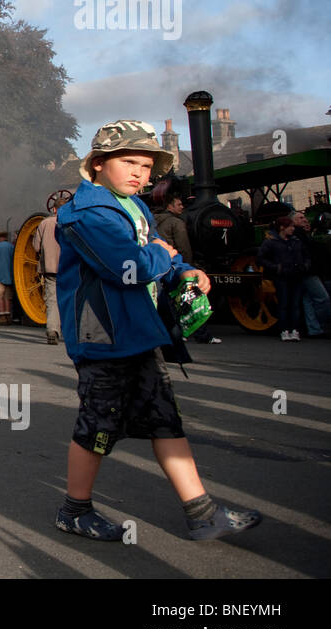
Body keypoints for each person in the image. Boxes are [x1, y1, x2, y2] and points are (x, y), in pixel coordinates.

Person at [54, 119, 260, 541]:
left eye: (147, 167)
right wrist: (159, 256)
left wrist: (187, 272)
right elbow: (127, 269)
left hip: (141, 334)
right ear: (96, 164)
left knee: (166, 421)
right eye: (129, 162)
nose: (140, 174)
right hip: (104, 339)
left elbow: (156, 259)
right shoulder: (85, 213)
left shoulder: (136, 206)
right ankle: (74, 511)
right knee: (97, 427)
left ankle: (202, 513)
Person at [150, 182, 220, 344]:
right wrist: (188, 267)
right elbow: (184, 247)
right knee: (191, 300)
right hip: (176, 266)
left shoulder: (154, 220)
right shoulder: (177, 223)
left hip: (161, 268)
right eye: (179, 204)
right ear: (170, 206)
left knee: (169, 302)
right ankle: (201, 333)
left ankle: (178, 331)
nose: (182, 207)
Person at [257, 216, 309, 342]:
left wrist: (305, 266)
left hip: (296, 275)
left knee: (295, 305)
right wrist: (276, 268)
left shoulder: (296, 240)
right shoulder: (270, 241)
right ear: (282, 228)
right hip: (281, 277)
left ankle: (295, 330)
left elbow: (306, 255)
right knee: (284, 304)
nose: (293, 229)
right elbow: (261, 258)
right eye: (290, 227)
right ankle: (284, 330)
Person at [292, 211, 330, 338]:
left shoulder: (304, 234)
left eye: (305, 218)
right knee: (322, 298)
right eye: (301, 218)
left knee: (308, 300)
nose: (305, 220)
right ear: (294, 221)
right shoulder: (297, 235)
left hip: (310, 270)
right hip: (308, 271)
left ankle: (314, 329)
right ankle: (323, 324)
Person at [31, 214, 61, 343]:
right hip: (69, 268)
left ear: (53, 209)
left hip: (50, 268)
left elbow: (36, 247)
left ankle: (53, 330)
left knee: (52, 300)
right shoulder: (73, 219)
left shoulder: (44, 223)